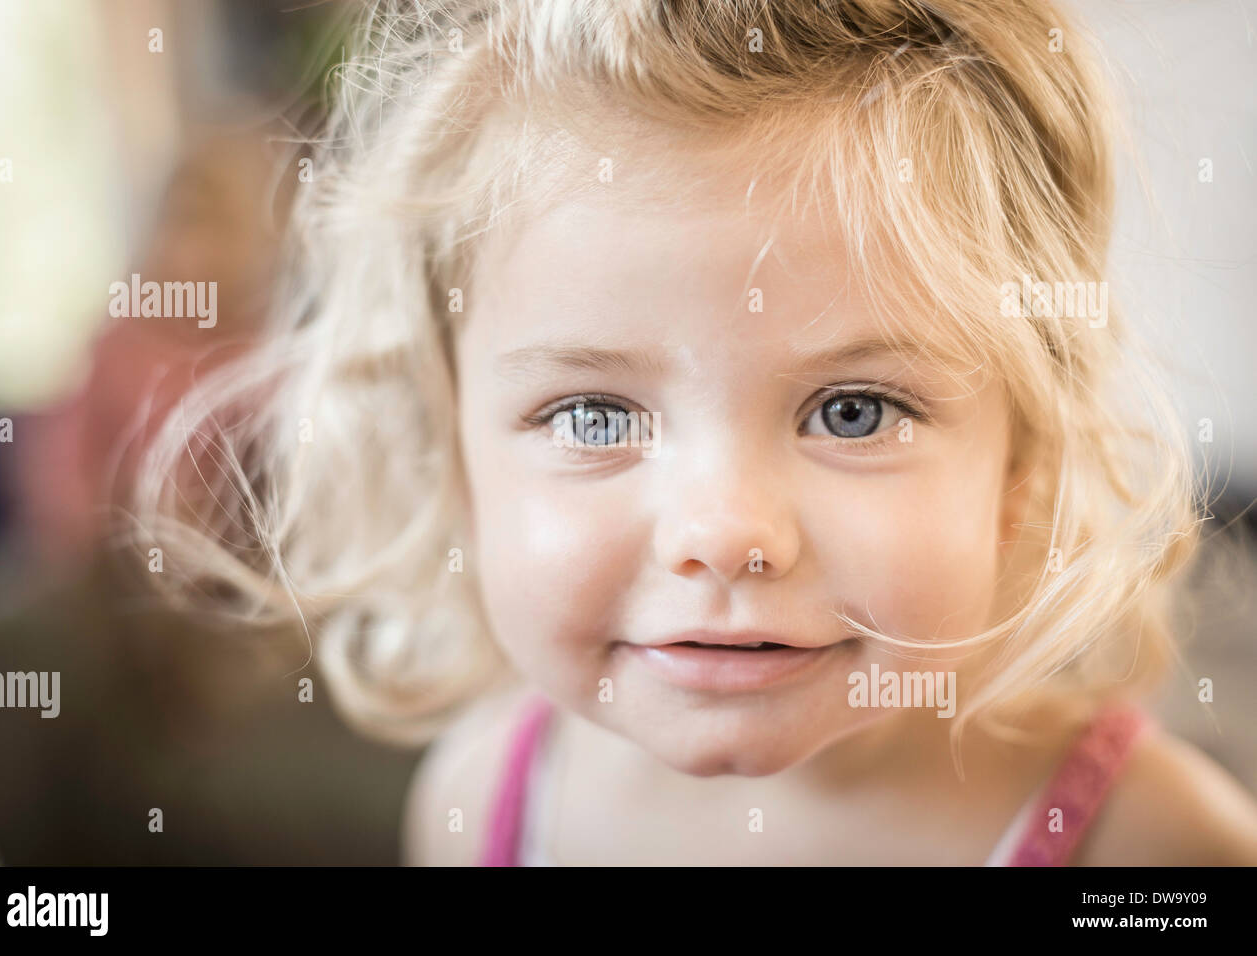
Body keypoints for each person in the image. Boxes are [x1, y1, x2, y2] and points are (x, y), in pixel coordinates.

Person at [134, 0, 1257, 865]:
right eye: (594, 414)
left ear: (1019, 460)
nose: (724, 534)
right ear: (453, 453)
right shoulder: (480, 800)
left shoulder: (1150, 844)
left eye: (853, 410)